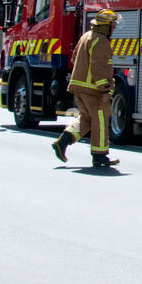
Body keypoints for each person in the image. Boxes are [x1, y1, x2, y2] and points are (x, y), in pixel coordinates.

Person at [52, 9, 120, 168]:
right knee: (101, 120)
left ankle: (63, 142)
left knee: (87, 119)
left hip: (80, 87)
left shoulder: (86, 36)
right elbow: (98, 67)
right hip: (93, 90)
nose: (114, 28)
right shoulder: (101, 41)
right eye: (113, 25)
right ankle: (100, 156)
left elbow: (75, 57)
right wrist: (104, 90)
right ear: (106, 27)